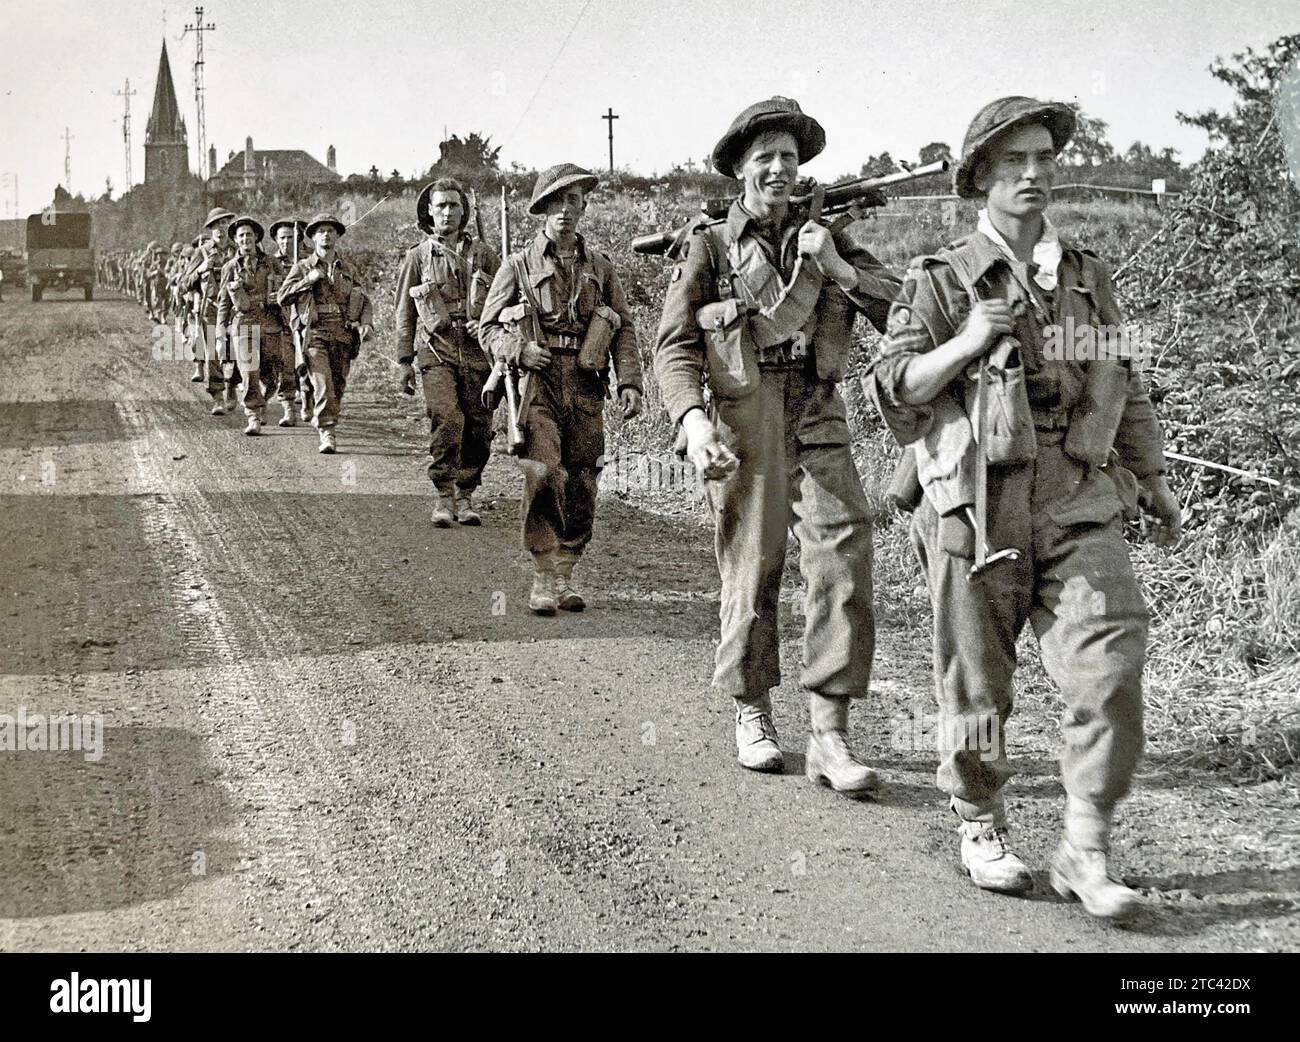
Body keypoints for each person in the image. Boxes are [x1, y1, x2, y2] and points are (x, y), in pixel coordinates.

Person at [866, 96, 1183, 918]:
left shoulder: (1084, 276)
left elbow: (1125, 379)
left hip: (1079, 495)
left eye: (1045, 157)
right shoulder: (939, 279)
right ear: (980, 177)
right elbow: (892, 390)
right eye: (1014, 161)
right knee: (976, 685)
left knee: (1110, 661)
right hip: (977, 502)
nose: (1035, 173)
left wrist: (1149, 476)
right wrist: (968, 342)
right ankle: (980, 819)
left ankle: (1085, 844)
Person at [654, 97, 899, 791]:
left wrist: (842, 270)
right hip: (744, 413)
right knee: (753, 565)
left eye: (790, 157)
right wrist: (693, 424)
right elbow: (674, 348)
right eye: (765, 158)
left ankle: (830, 733)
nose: (780, 169)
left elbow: (902, 309)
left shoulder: (827, 235)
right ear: (739, 170)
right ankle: (753, 710)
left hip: (816, 410)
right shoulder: (708, 246)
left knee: (843, 555)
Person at [479, 164, 642, 614]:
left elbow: (624, 329)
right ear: (541, 213)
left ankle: (567, 569)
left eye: (573, 202)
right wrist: (517, 350)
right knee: (544, 471)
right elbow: (487, 327)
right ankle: (543, 574)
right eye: (555, 204)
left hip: (587, 383)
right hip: (538, 382)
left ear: (584, 207)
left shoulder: (602, 269)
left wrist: (630, 381)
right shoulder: (517, 266)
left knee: (584, 475)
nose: (565, 212)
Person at [394, 178, 501, 526]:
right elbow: (404, 313)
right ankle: (443, 495)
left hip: (477, 353)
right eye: (440, 206)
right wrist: (404, 361)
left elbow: (506, 302)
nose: (448, 212)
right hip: (435, 351)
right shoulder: (418, 257)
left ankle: (465, 494)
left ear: (463, 211)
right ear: (429, 211)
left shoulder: (484, 255)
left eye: (454, 205)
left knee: (479, 426)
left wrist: (486, 323)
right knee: (447, 417)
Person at [276, 213, 373, 454]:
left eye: (330, 230)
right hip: (315, 333)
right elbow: (282, 296)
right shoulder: (302, 267)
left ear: (337, 235)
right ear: (313, 237)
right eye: (320, 231)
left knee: (338, 384)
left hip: (342, 334)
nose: (326, 235)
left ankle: (317, 407)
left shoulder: (348, 269)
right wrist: (307, 281)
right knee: (324, 384)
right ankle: (327, 431)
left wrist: (366, 323)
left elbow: (364, 301)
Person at [216, 216, 297, 434]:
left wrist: (278, 297)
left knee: (271, 375)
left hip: (271, 324)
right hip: (244, 324)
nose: (245, 239)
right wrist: (220, 333)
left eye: (249, 235)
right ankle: (252, 415)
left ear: (256, 238)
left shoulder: (272, 262)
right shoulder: (230, 267)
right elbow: (223, 303)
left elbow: (287, 290)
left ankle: (261, 400)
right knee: (249, 370)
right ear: (235, 239)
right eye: (241, 235)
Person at [185, 208, 239, 414]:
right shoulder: (202, 252)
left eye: (224, 223)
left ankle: (232, 386)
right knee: (212, 355)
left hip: (234, 309)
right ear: (210, 229)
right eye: (216, 225)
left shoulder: (237, 250)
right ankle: (217, 396)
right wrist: (201, 269)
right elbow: (184, 284)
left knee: (236, 351)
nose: (221, 228)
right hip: (210, 309)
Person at [268, 218, 309, 423]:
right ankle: (288, 409)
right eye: (282, 238)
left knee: (309, 365)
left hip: (307, 321)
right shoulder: (270, 263)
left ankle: (309, 402)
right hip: (281, 322)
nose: (286, 242)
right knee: (286, 365)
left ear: (299, 238)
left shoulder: (309, 261)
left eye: (290, 238)